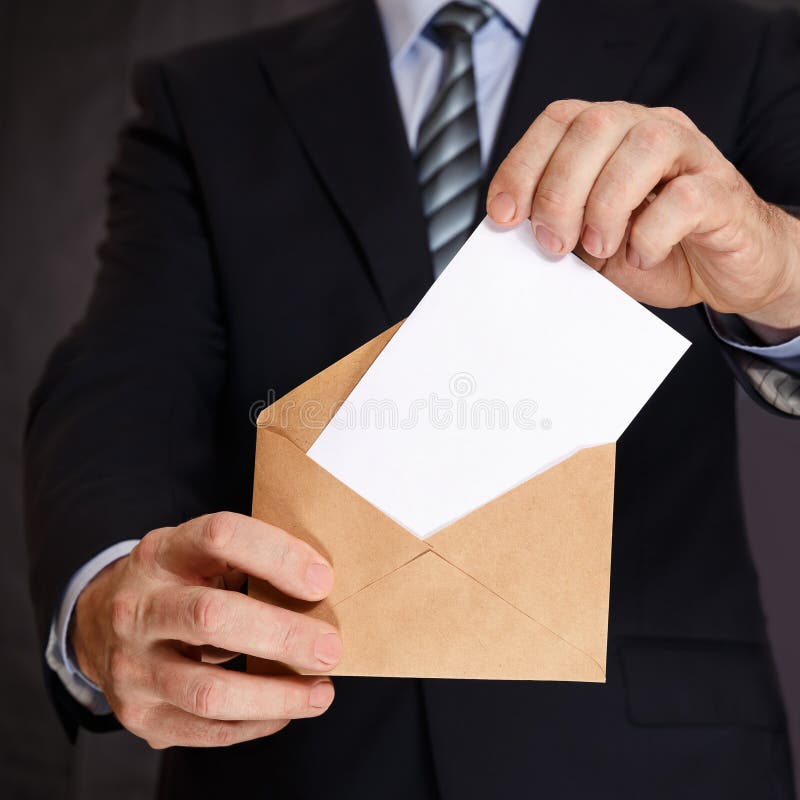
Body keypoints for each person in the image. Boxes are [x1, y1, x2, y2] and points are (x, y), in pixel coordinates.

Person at [24, 0, 800, 797]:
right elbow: (123, 379)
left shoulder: (745, 44)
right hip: (302, 748)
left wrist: (781, 268)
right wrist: (107, 590)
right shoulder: (207, 96)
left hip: (650, 760)